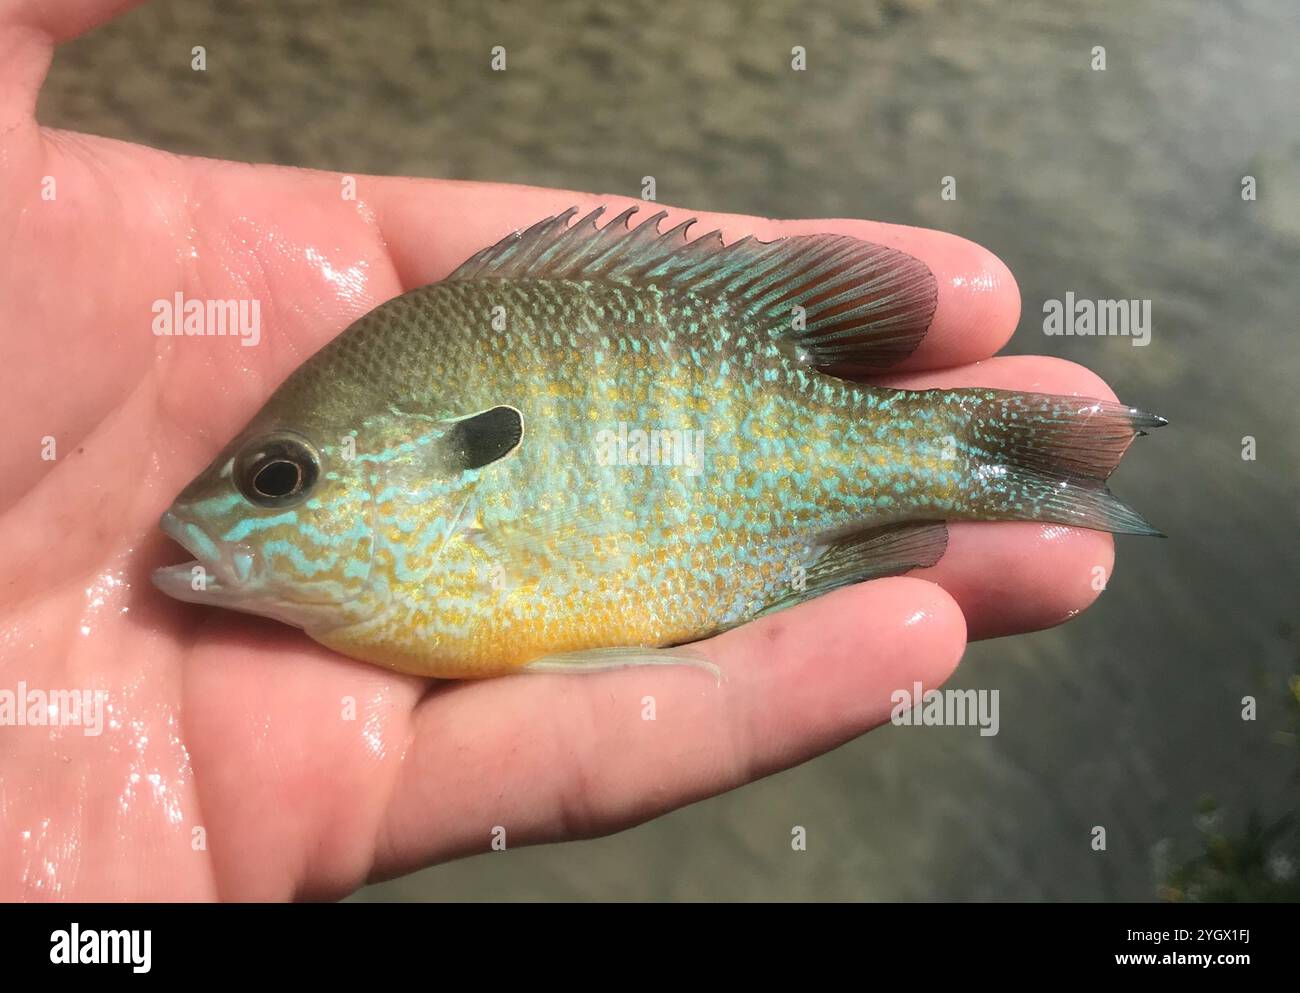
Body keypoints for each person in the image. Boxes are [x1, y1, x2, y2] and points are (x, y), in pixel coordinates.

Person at [0, 0, 1124, 900]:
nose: (223, 520)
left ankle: (1028, 464)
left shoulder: (420, 577)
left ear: (426, 463)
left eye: (279, 477)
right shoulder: (393, 584)